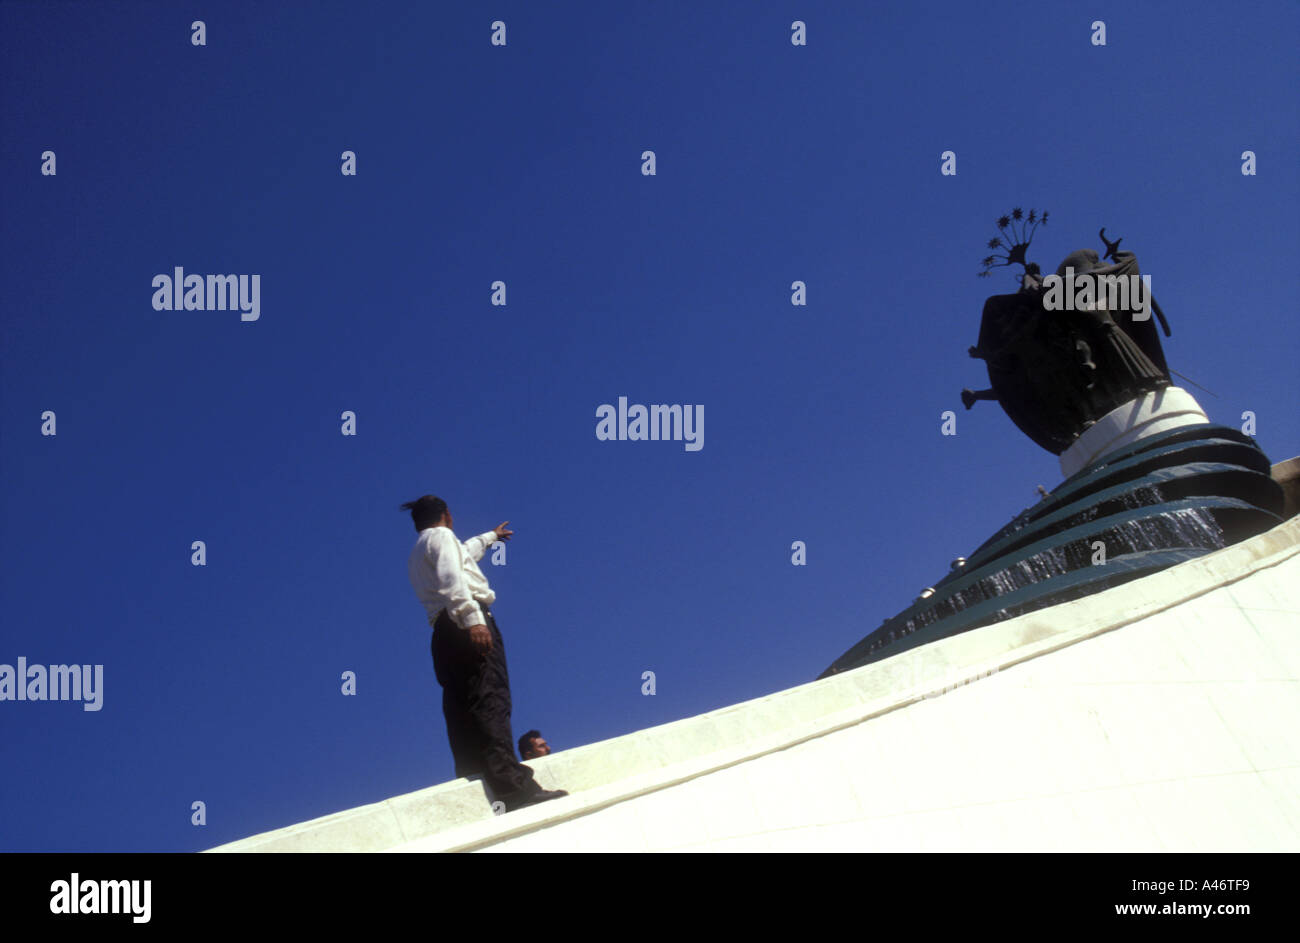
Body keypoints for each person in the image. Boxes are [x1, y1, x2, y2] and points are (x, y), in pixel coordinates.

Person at [401, 494, 567, 811]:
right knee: (490, 698)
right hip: (465, 621)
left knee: (462, 708)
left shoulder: (418, 552)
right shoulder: (442, 537)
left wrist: (490, 537)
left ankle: (475, 779)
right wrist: (473, 619)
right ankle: (515, 789)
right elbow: (453, 576)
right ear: (447, 515)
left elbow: (463, 556)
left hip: (442, 633)